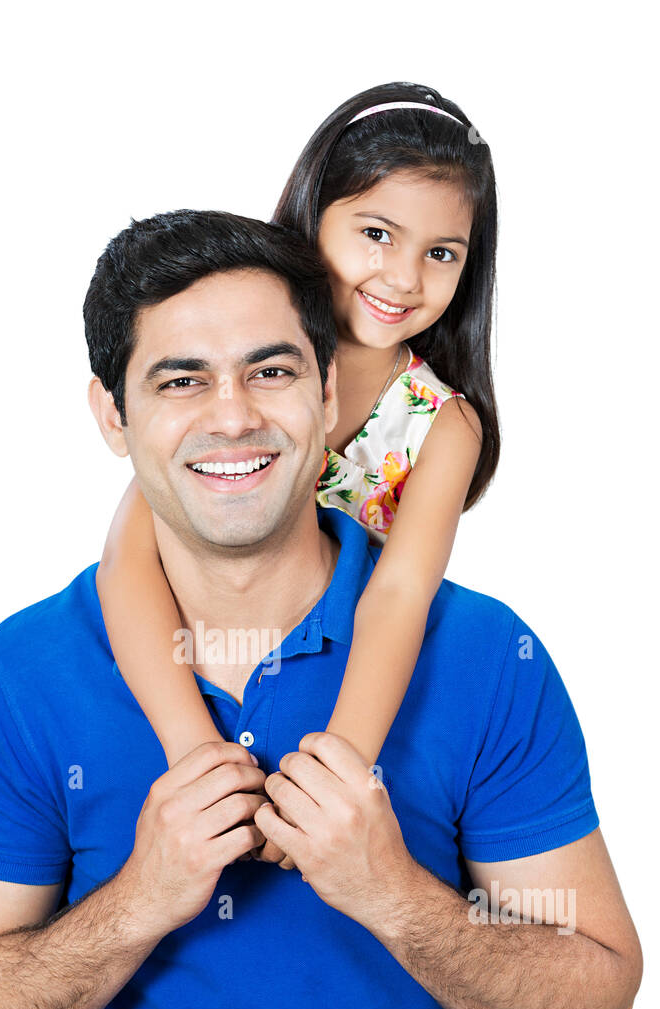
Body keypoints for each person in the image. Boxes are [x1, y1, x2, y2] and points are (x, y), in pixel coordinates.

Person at [0, 209, 641, 1009]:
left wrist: (392, 892)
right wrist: (140, 895)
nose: (231, 416)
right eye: (179, 380)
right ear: (111, 414)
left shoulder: (483, 654)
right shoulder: (30, 667)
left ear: (332, 392)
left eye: (270, 370)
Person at [96, 82, 492, 873]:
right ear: (314, 215)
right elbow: (127, 564)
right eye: (377, 233)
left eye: (440, 253)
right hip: (201, 670)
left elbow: (399, 593)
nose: (404, 278)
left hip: (345, 681)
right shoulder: (234, 374)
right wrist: (195, 758)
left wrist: (335, 773)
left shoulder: (442, 425)